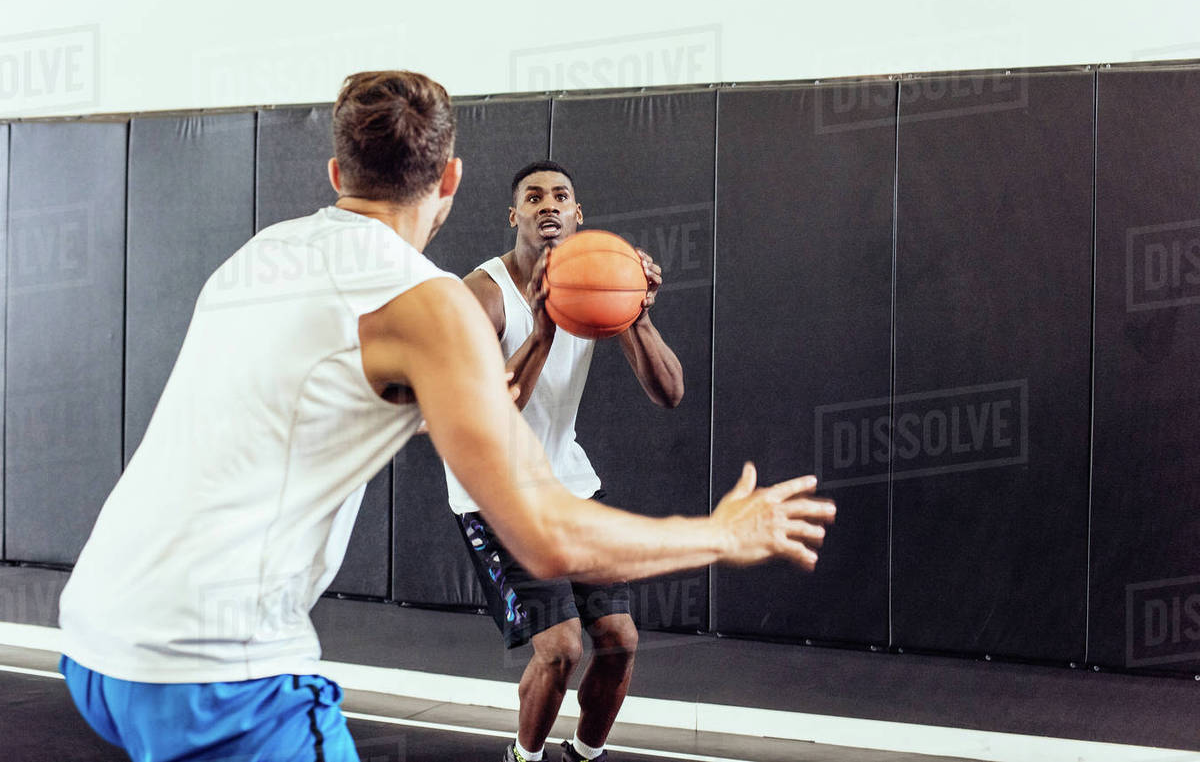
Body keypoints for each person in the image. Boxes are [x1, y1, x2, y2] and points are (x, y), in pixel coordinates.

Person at [56, 70, 836, 762]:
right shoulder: (435, 301)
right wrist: (723, 533)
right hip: (213, 665)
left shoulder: (260, 254)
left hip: (95, 633)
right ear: (452, 178)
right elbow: (547, 533)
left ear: (336, 173)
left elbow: (404, 404)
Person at [447, 159, 683, 762]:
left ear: (578, 214)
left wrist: (637, 313)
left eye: (560, 196)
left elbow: (670, 392)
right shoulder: (482, 296)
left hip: (566, 486)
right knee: (560, 648)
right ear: (514, 216)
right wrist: (542, 329)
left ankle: (583, 756)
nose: (547, 205)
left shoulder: (597, 281)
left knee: (619, 640)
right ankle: (524, 758)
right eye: (533, 197)